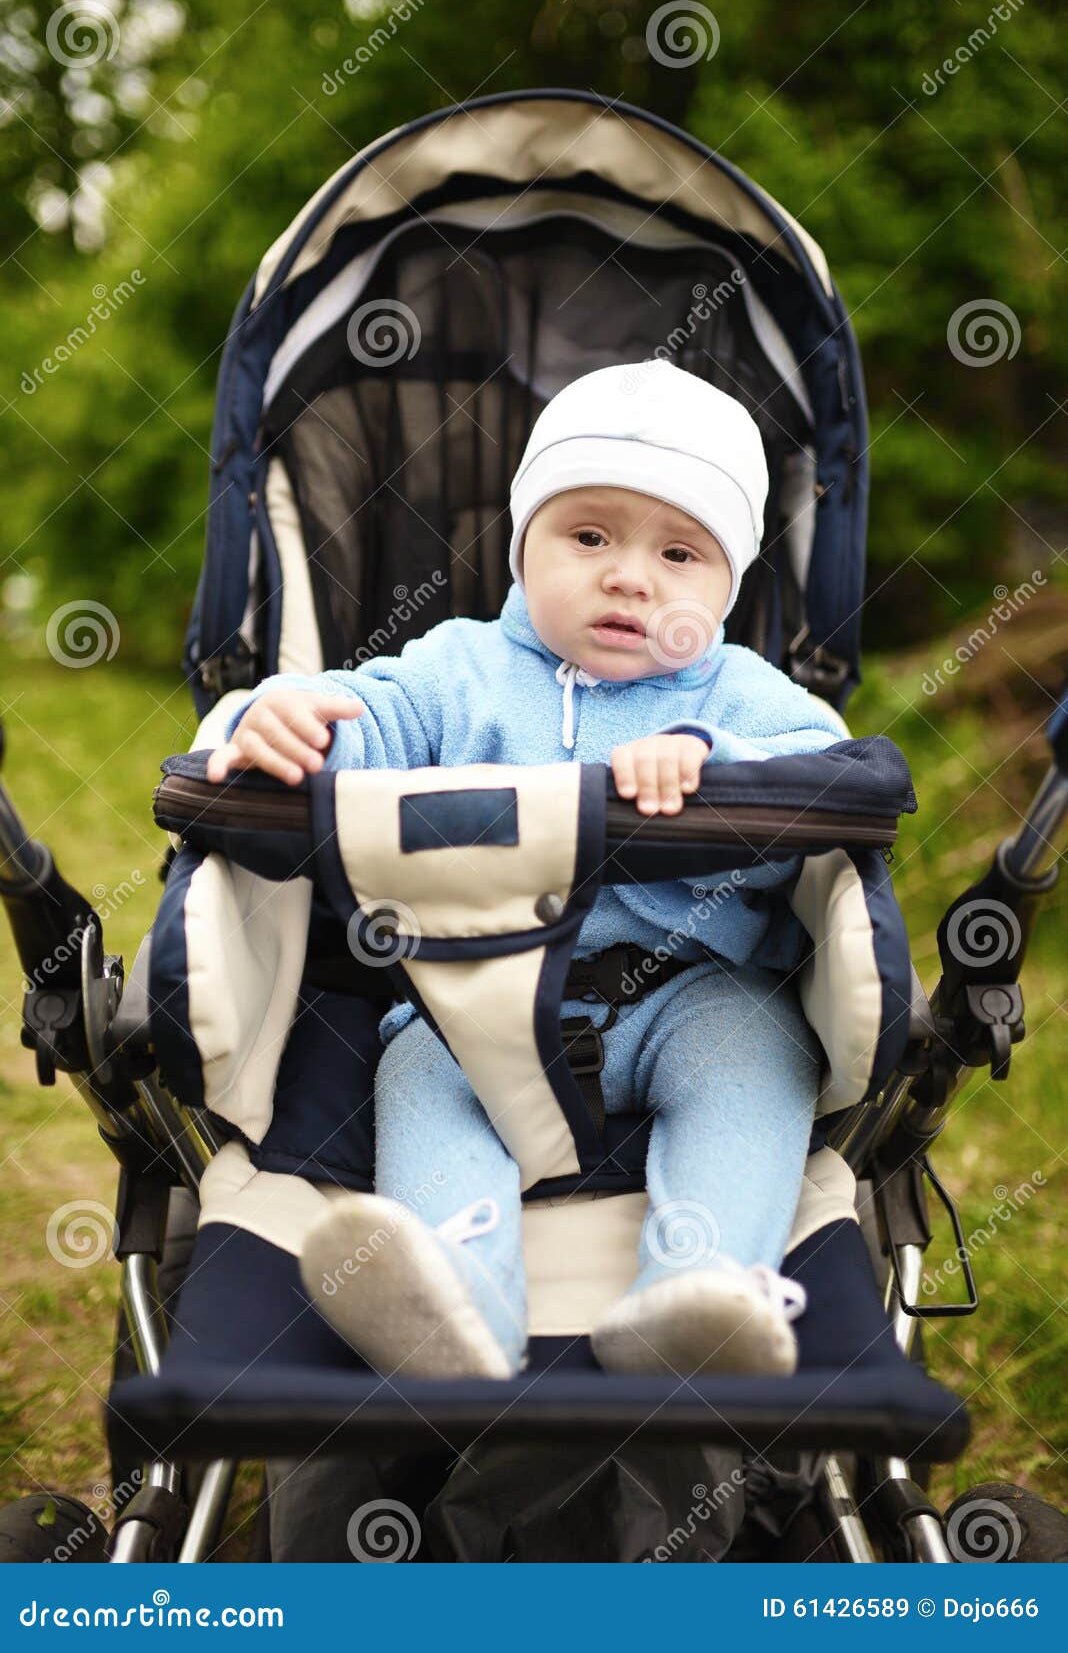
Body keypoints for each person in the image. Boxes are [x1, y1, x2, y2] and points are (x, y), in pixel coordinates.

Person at [207, 361, 846, 1382]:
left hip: (692, 992)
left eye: (680, 551)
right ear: (521, 544)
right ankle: (456, 1307)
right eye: (588, 535)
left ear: (731, 582)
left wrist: (715, 769)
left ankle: (702, 1293)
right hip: (477, 1001)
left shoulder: (744, 697)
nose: (630, 576)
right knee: (419, 1073)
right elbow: (355, 718)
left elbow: (830, 777)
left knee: (760, 1058)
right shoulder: (454, 671)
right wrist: (267, 718)